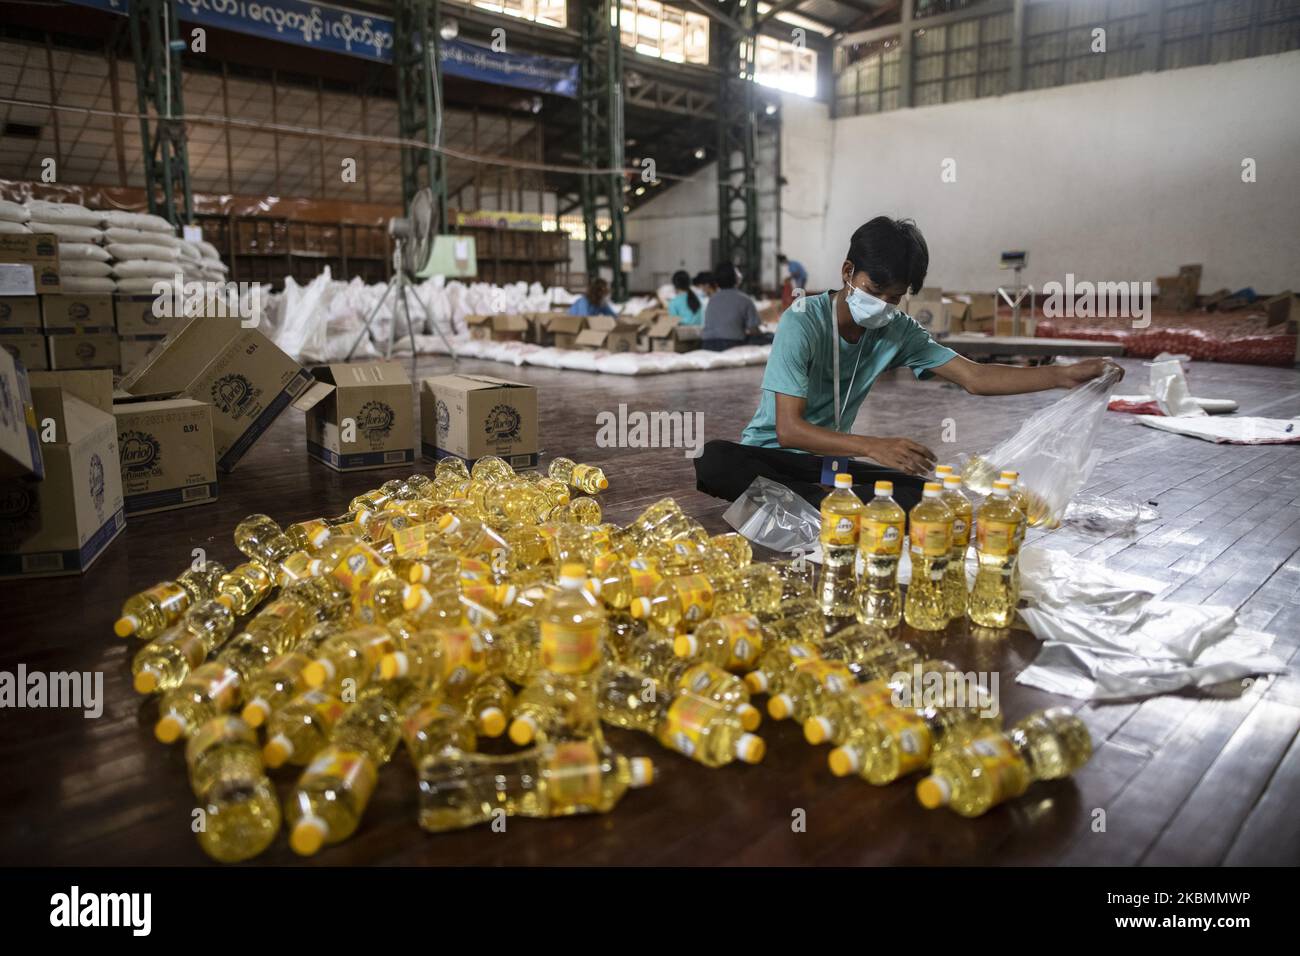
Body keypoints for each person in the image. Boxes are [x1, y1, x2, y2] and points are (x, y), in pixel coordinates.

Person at [694, 216, 1122, 511]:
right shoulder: (802, 321)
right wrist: (872, 445)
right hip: (773, 458)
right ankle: (829, 503)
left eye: (894, 297)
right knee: (715, 460)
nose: (882, 304)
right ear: (848, 272)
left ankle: (820, 505)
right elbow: (788, 429)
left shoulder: (896, 329)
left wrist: (1064, 375)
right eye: (874, 288)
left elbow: (973, 376)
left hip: (829, 464)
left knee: (930, 496)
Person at [701, 261, 760, 351]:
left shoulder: (712, 300)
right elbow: (753, 330)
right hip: (731, 343)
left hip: (707, 343)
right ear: (736, 279)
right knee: (768, 338)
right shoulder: (745, 299)